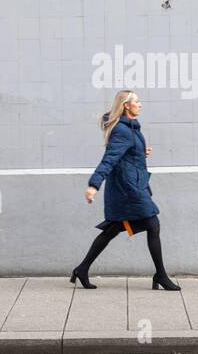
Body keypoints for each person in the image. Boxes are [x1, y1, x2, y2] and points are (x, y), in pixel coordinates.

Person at [70, 90, 180, 291]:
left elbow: (125, 154)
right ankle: (161, 275)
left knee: (113, 229)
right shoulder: (123, 130)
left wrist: (140, 151)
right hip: (128, 191)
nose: (141, 104)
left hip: (132, 187)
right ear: (126, 105)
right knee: (152, 224)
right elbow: (109, 159)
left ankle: (82, 268)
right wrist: (94, 185)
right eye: (137, 101)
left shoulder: (131, 128)